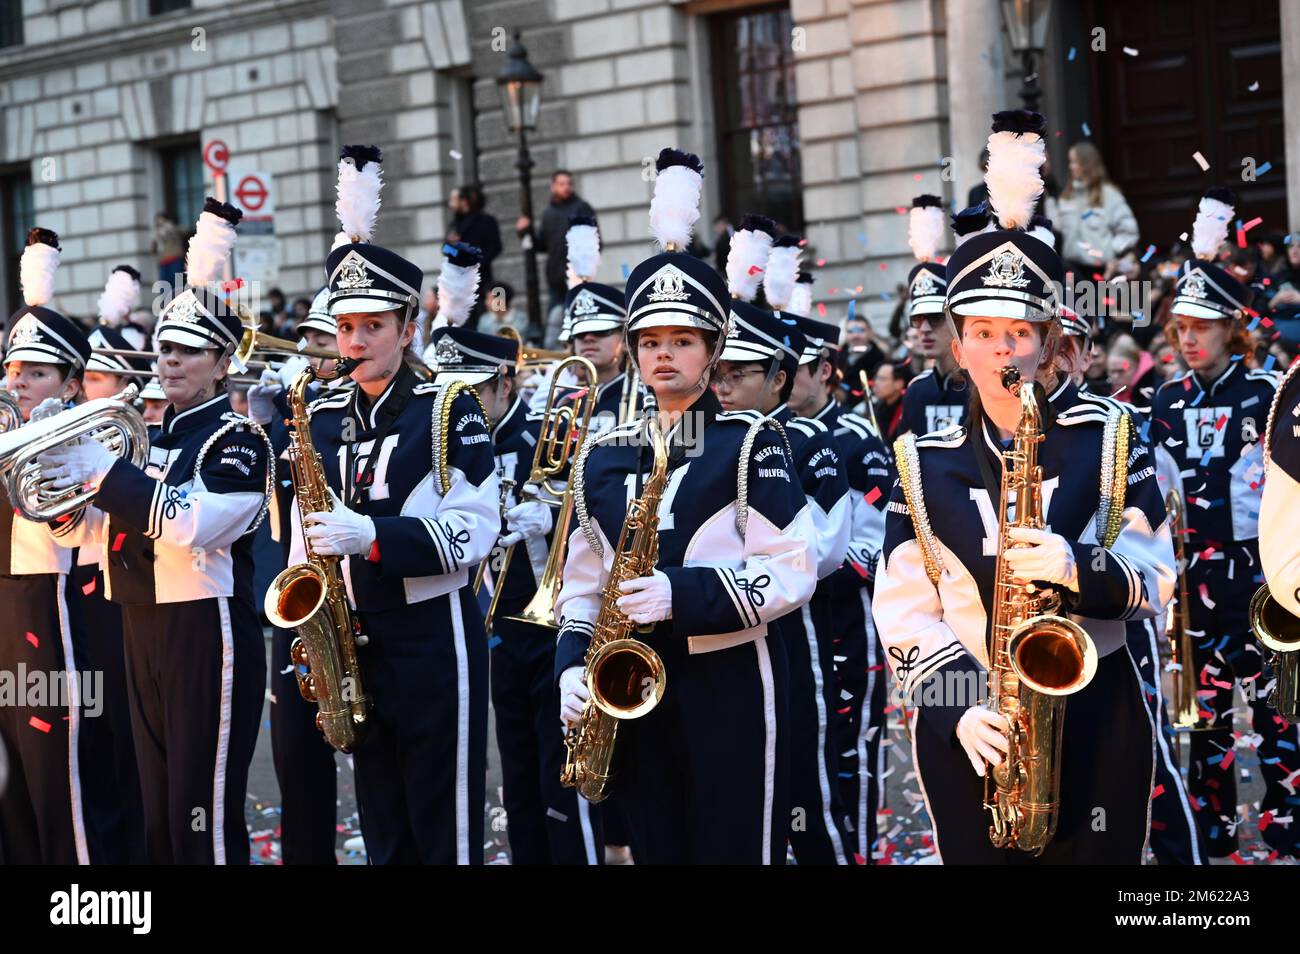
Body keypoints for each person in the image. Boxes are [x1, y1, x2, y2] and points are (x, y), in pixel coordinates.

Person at [874, 111, 1174, 865]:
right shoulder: (921, 457)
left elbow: (1159, 576)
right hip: (974, 725)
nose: (1002, 349)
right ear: (957, 340)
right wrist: (955, 706)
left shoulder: (1111, 434)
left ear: (1049, 342)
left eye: (1019, 332)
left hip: (1099, 707)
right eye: (982, 332)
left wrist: (1078, 566)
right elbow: (904, 610)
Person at [555, 149, 816, 864]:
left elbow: (793, 570)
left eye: (682, 342)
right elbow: (583, 586)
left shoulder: (748, 440)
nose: (663, 355)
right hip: (631, 686)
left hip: (728, 681)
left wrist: (682, 592)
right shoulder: (603, 452)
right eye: (649, 342)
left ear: (711, 351)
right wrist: (571, 667)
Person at [40, 201, 273, 864]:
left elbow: (193, 524)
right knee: (160, 814)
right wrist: (61, 481)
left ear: (222, 363)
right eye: (164, 348)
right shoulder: (145, 436)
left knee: (200, 811)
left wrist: (100, 468)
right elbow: (86, 530)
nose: (167, 362)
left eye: (186, 352)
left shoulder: (236, 440)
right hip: (134, 622)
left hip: (203, 628)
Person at [289, 145, 498, 864]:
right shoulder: (320, 415)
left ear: (408, 329)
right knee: (384, 835)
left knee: (447, 833)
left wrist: (373, 535)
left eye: (373, 326)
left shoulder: (449, 408)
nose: (355, 342)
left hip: (434, 636)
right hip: (356, 645)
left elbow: (476, 531)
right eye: (346, 328)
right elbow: (307, 537)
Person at [1151, 187, 1299, 859]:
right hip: (1193, 582)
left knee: (1278, 717)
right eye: (1178, 326)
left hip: (1262, 581)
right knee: (1203, 724)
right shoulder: (1161, 399)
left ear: (1232, 328)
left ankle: (1287, 825)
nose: (1186, 338)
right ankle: (1208, 831)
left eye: (1200, 326)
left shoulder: (1267, 394)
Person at [0, 228, 94, 865]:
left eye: (36, 372)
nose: (19, 382)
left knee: (55, 773)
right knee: (10, 778)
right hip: (5, 603)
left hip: (48, 606)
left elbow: (71, 528)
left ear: (67, 382)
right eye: (12, 369)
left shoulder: (81, 437)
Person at [247, 285, 346, 865]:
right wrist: (271, 426)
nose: (311, 358)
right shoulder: (297, 413)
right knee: (294, 751)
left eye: (322, 344)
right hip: (302, 598)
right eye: (306, 344)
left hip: (363, 595)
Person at [516, 170, 596, 344]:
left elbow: (595, 242)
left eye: (569, 183)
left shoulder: (582, 207)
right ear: (553, 187)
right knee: (554, 322)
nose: (566, 187)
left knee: (577, 318)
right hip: (555, 278)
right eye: (561, 184)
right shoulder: (548, 213)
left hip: (577, 275)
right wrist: (525, 231)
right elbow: (541, 245)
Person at [1051, 141, 1139, 277]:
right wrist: (1048, 198)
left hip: (1102, 270)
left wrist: (1111, 250)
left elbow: (1129, 231)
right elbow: (1058, 225)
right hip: (1072, 269)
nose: (1070, 167)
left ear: (1086, 165)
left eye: (1074, 162)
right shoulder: (1067, 195)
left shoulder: (1109, 194)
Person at [447, 184, 503, 331]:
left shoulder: (486, 221)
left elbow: (494, 247)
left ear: (464, 201)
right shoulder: (455, 224)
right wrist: (452, 246)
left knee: (483, 319)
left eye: (455, 200)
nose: (451, 205)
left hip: (480, 280)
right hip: (459, 284)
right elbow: (446, 250)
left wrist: (475, 264)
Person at [151, 212, 183, 290]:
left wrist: (168, 230)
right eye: (158, 219)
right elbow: (153, 250)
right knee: (164, 286)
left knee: (177, 285)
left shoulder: (172, 228)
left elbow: (182, 231)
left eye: (161, 219)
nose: (159, 221)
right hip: (163, 262)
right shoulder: (156, 233)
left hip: (174, 259)